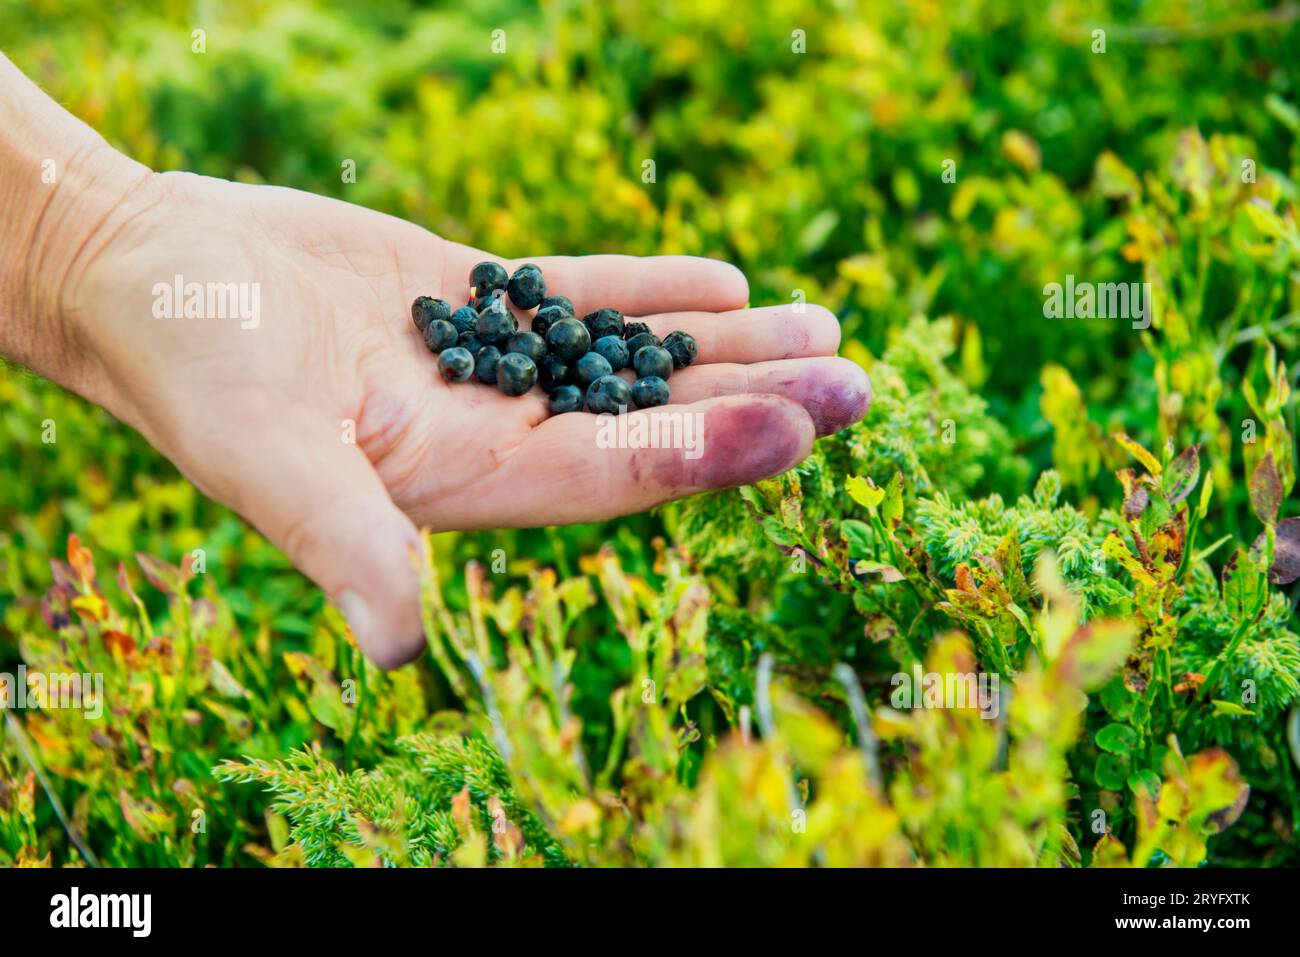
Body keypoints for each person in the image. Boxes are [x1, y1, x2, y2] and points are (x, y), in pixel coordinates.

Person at [0, 54, 870, 667]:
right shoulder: (490, 339)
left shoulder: (540, 341)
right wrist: (86, 240)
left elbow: (561, 352)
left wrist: (88, 230)